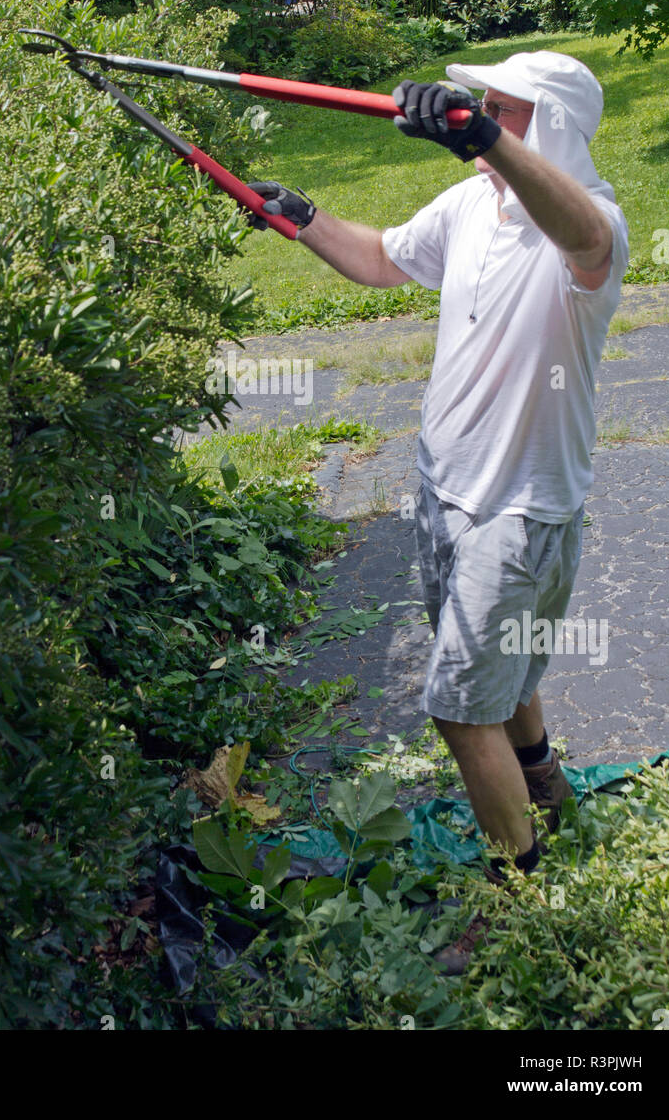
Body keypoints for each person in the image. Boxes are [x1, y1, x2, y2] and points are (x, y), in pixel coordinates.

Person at [247, 51, 630, 973]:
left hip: (519, 509)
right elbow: (383, 260)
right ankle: (547, 791)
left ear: (556, 127)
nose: (481, 110)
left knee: (461, 709)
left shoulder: (592, 228)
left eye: (507, 107)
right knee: (504, 671)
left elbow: (576, 226)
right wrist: (301, 217)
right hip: (443, 488)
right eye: (483, 101)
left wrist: (486, 138)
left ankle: (521, 894)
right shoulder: (470, 208)